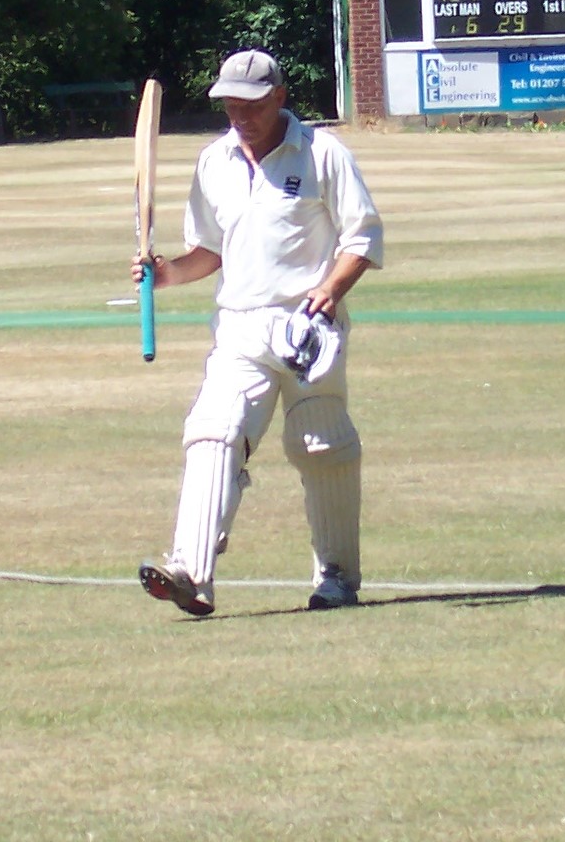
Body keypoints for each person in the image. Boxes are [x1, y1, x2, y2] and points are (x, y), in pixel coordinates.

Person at [134, 49, 383, 617]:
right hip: (240, 328)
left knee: (321, 446)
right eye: (228, 103)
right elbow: (209, 251)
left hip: (307, 328)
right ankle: (191, 573)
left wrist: (331, 291)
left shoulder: (322, 153)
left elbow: (362, 237)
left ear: (279, 97)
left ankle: (337, 577)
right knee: (213, 432)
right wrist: (166, 272)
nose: (238, 114)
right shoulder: (214, 161)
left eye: (249, 103)